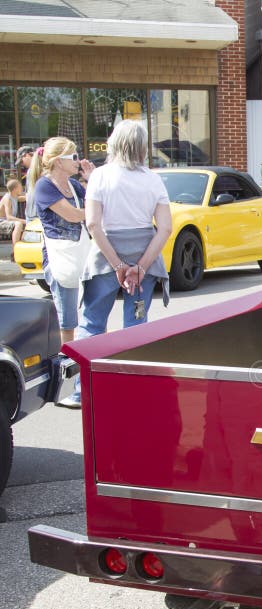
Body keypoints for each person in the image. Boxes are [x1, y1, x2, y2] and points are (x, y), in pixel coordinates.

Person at [71, 120, 172, 409]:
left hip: (105, 256)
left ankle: (83, 389)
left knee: (92, 323)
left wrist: (117, 264)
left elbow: (92, 223)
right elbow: (164, 228)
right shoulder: (153, 179)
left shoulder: (100, 176)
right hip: (145, 255)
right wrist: (140, 266)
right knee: (136, 326)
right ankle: (131, 385)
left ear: (114, 142)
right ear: (142, 147)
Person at [31, 138, 95, 358]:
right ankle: (65, 366)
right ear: (58, 161)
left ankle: (81, 363)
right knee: (67, 321)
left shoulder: (75, 185)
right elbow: (73, 214)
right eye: (74, 157)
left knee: (90, 313)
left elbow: (95, 205)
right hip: (61, 259)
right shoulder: (44, 186)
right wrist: (93, 212)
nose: (78, 160)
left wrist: (92, 179)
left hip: (81, 255)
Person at [0, 179, 25, 245]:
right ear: (15, 189)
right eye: (20, 187)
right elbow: (9, 217)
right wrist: (24, 221)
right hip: (1, 222)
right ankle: (15, 251)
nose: (22, 189)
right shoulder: (7, 198)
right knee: (18, 224)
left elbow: (25, 198)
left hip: (6, 222)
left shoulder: (15, 197)